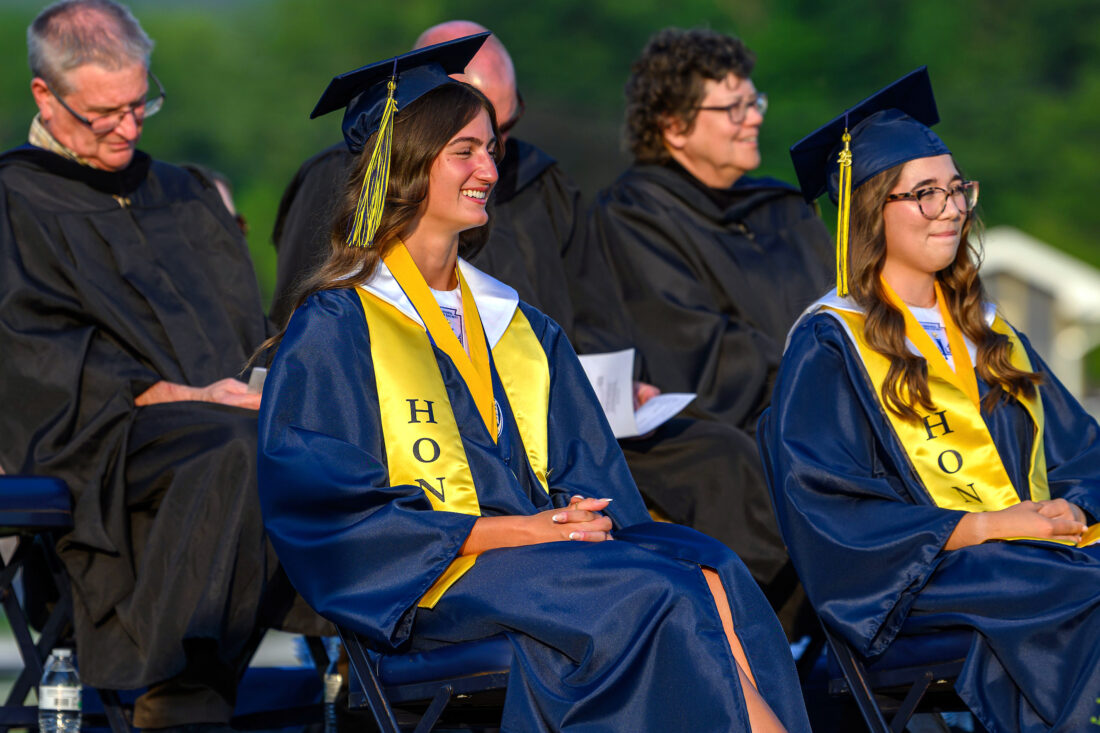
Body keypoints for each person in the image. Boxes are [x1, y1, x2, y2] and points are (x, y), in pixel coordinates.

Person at [258, 35, 810, 733]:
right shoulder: (337, 325)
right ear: (405, 166)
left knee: (709, 565)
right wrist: (513, 529)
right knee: (654, 593)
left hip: (542, 561)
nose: (489, 168)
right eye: (465, 150)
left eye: (493, 147)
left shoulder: (516, 322)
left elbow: (587, 464)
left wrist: (580, 514)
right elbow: (334, 515)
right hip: (428, 581)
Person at [0, 1, 326, 727]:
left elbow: (251, 327)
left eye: (141, 103)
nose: (128, 126)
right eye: (103, 114)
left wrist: (263, 383)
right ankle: (179, 686)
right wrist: (172, 394)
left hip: (213, 420)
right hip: (95, 432)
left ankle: (392, 670)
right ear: (44, 97)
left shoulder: (181, 192)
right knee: (237, 447)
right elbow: (29, 354)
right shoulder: (13, 199)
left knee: (314, 433)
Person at [763, 67, 1100, 732]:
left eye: (956, 189)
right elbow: (830, 513)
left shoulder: (989, 332)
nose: (949, 208)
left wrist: (1069, 507)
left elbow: (1082, 450)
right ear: (869, 209)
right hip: (915, 587)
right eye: (923, 194)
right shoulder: (831, 344)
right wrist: (989, 525)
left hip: (1025, 558)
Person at [588, 27, 834, 593]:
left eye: (755, 102)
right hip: (752, 418)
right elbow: (694, 345)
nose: (754, 119)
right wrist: (820, 385)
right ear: (673, 126)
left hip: (824, 404)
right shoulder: (634, 215)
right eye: (734, 108)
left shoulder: (782, 208)